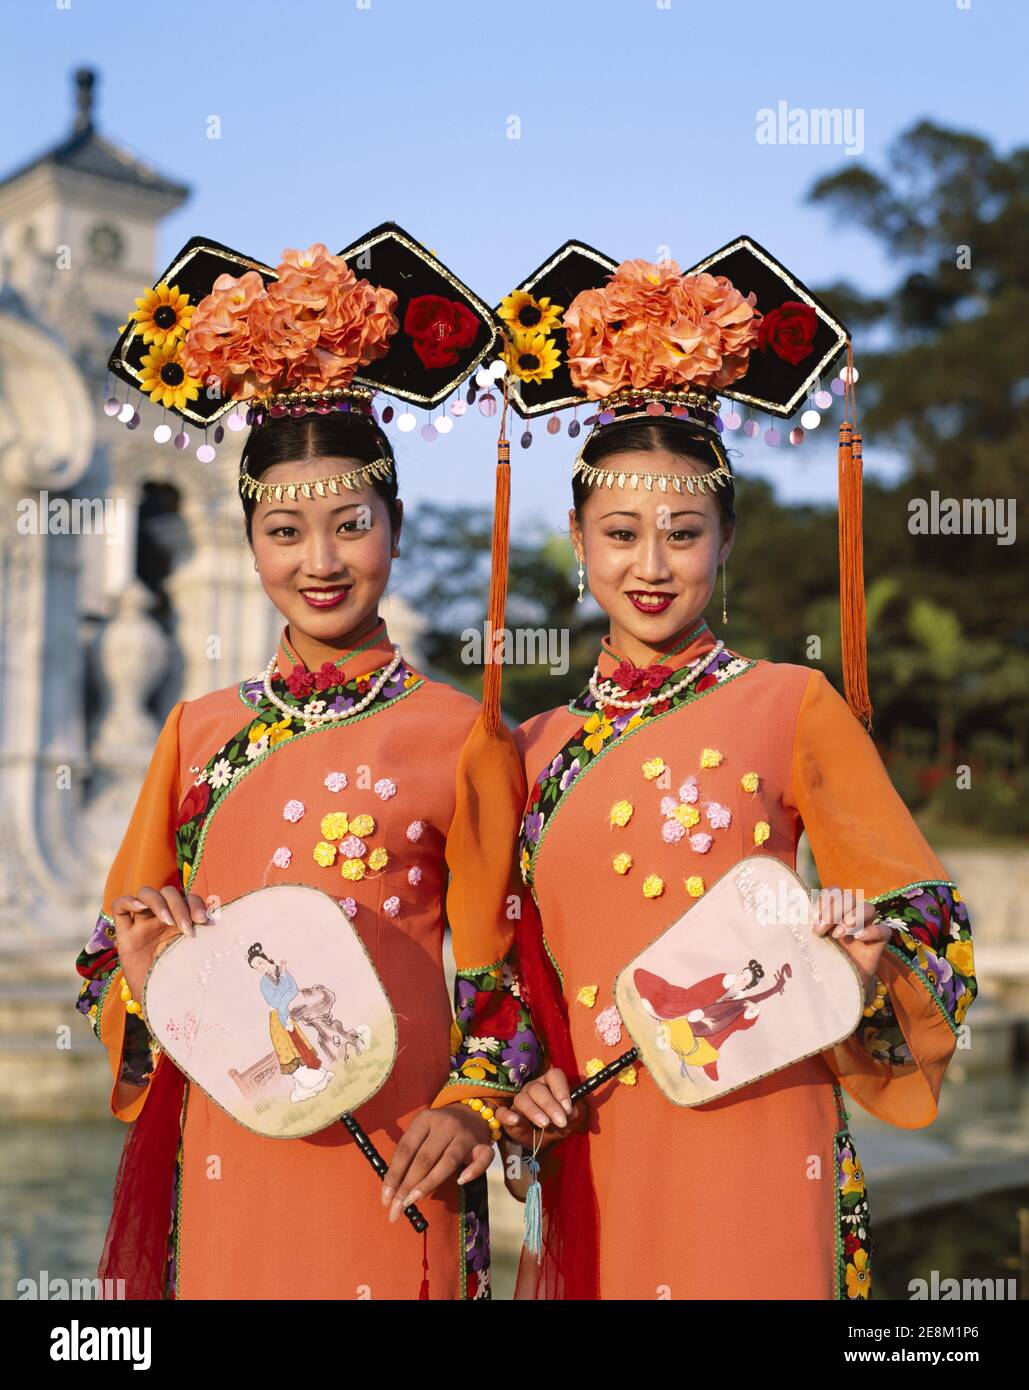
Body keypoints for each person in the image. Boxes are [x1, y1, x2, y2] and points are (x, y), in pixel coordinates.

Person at [489, 239, 978, 1300]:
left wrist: (862, 969)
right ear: (578, 541)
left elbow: (930, 919)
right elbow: (513, 979)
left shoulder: (790, 703)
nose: (651, 564)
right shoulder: (530, 750)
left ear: (727, 542)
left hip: (763, 1133)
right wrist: (518, 1082)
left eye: (683, 532)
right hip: (599, 1147)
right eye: (620, 533)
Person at [75, 227, 538, 1300]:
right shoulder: (197, 732)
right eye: (285, 532)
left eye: (349, 525)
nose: (319, 562)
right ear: (248, 544)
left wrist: (473, 1102)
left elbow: (507, 972)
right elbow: (112, 951)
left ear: (397, 527)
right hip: (234, 1154)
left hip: (404, 1157)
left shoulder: (465, 733)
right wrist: (146, 972)